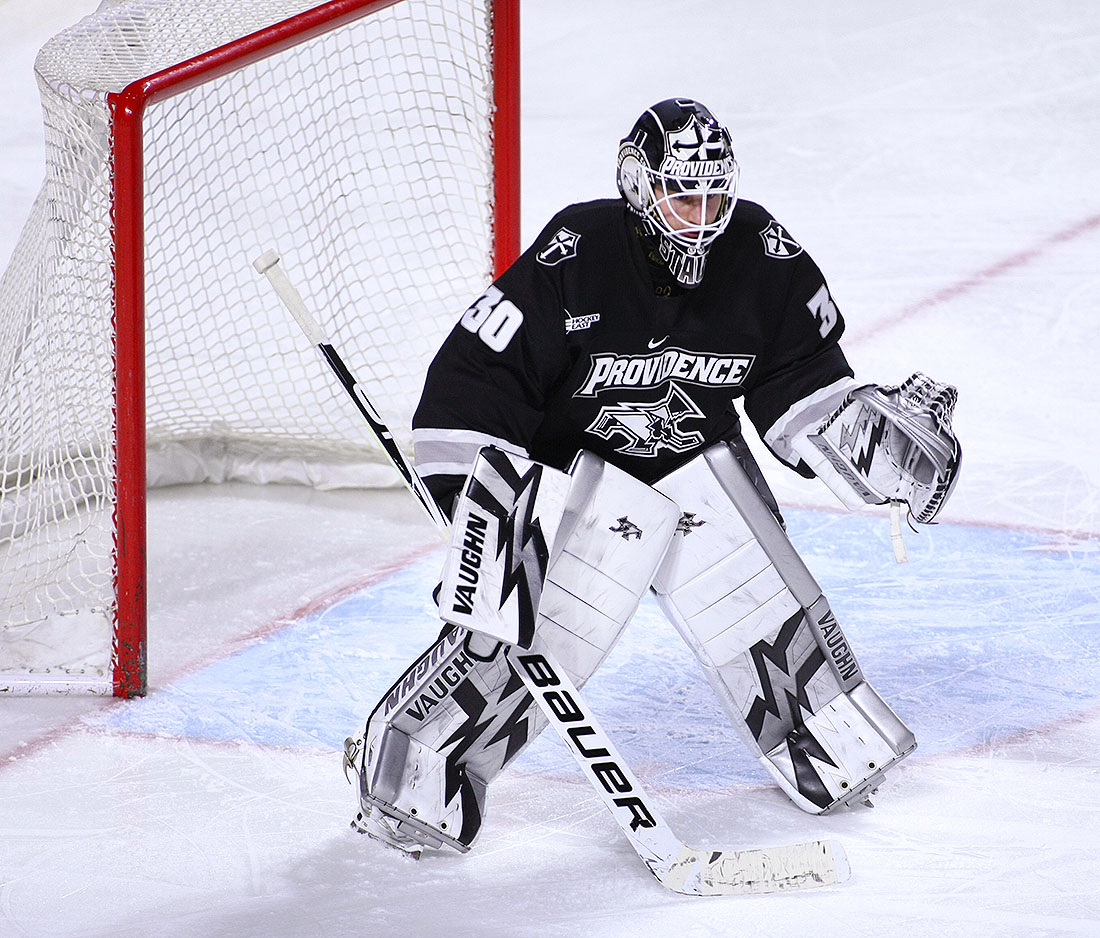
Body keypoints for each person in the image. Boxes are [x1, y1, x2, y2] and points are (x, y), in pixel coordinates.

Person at [343, 98, 961, 857]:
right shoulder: (579, 253)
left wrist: (861, 435)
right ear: (639, 185)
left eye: (715, 196)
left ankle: (827, 747)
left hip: (696, 462)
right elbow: (477, 378)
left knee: (758, 597)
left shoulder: (761, 255)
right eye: (682, 194)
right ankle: (415, 774)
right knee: (532, 632)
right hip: (576, 482)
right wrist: (487, 503)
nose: (702, 217)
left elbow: (799, 377)